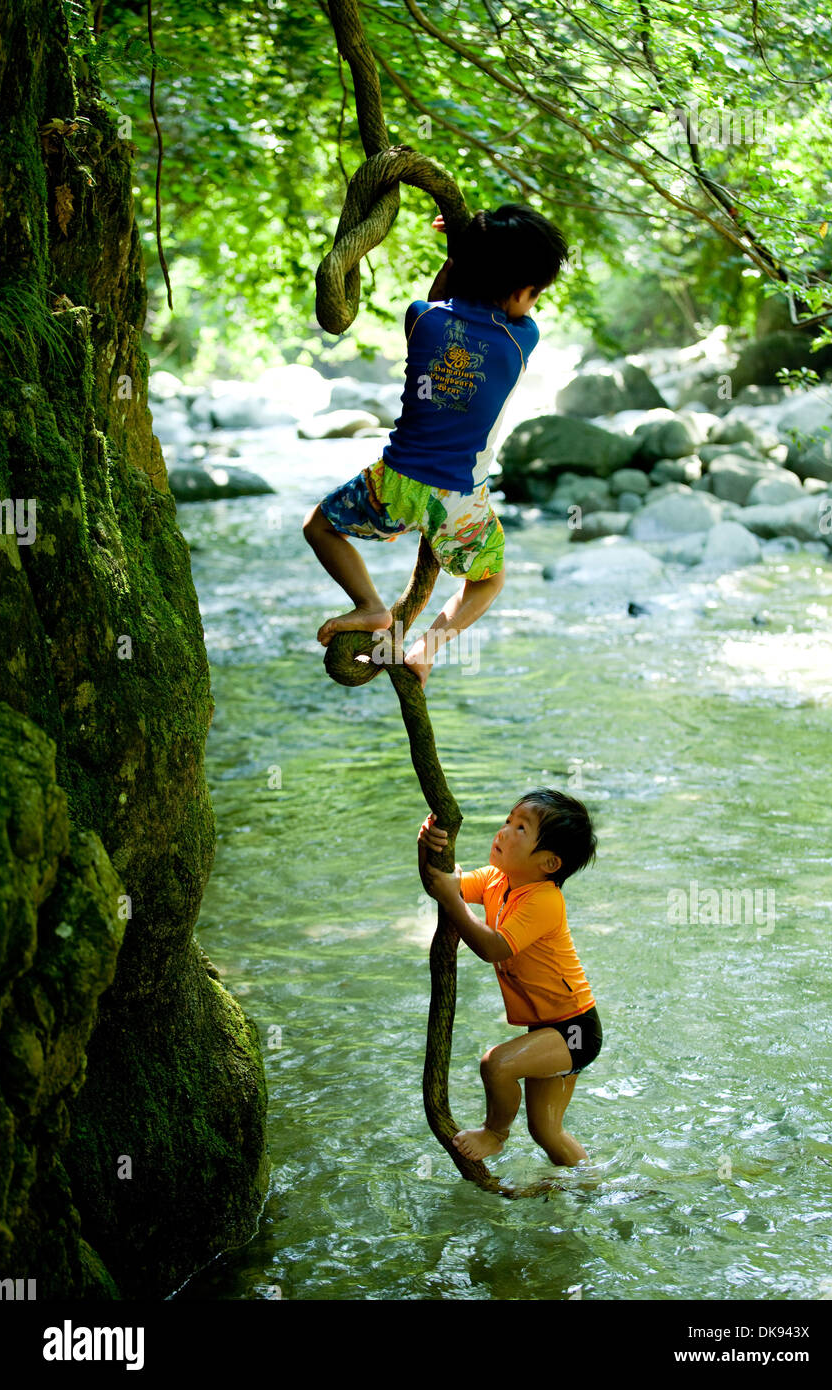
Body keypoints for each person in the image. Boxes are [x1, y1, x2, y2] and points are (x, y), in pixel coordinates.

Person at [303, 205, 569, 688]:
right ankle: (428, 647)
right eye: (535, 293)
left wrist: (459, 252)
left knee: (319, 526)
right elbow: (476, 301)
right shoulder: (521, 338)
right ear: (520, 293)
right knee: (488, 580)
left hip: (396, 483)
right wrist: (464, 250)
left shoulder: (422, 320)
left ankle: (369, 606)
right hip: (458, 501)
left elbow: (441, 299)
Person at [417, 788, 601, 1165]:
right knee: (546, 1130)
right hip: (549, 1029)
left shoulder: (545, 900)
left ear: (549, 863)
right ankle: (589, 1184)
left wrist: (454, 902)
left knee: (496, 1065)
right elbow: (439, 883)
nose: (503, 831)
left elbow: (494, 948)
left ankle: (494, 1133)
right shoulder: (495, 881)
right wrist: (427, 843)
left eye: (521, 828)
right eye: (508, 820)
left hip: (575, 1030)